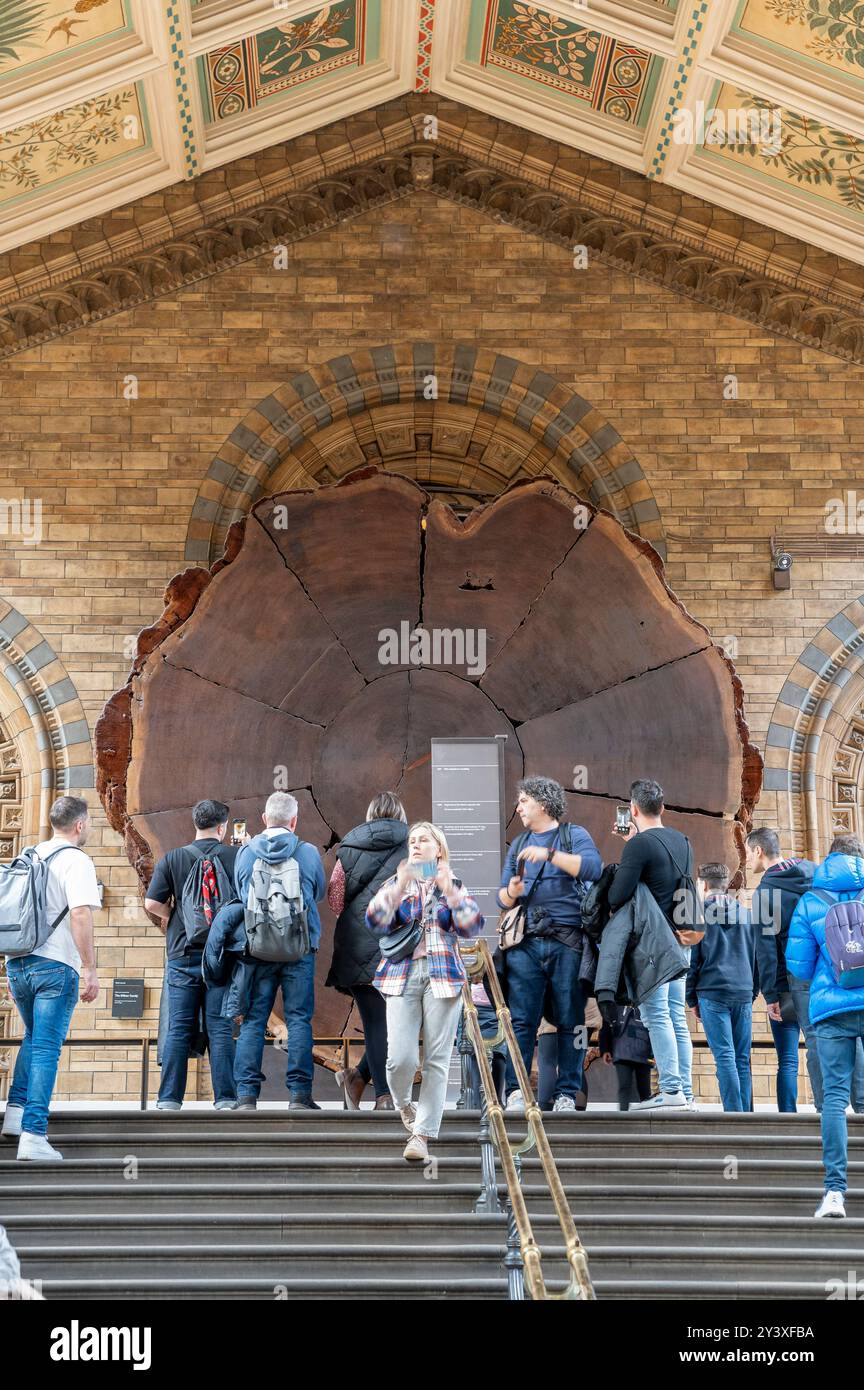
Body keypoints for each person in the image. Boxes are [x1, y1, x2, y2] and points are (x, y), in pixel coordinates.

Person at [366, 821, 483, 1163]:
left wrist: (450, 889)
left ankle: (422, 1134)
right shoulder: (396, 882)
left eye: (423, 840)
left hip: (443, 976)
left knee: (437, 1060)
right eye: (412, 841)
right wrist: (401, 882)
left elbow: (473, 926)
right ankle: (404, 1103)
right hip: (401, 975)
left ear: (439, 849)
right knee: (400, 1057)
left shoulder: (453, 884)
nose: (415, 845)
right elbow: (374, 922)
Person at [1, 796, 100, 1161]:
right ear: (79, 825)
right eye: (88, 823)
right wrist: (89, 967)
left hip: (19, 962)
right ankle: (34, 1135)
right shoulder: (76, 860)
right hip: (55, 966)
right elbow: (79, 915)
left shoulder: (30, 855)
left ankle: (15, 1115)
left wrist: (12, 966)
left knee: (33, 1037)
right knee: (46, 1047)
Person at [497, 776, 602, 1114]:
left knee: (573, 1020)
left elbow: (593, 869)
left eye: (523, 801)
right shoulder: (519, 844)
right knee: (521, 1020)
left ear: (542, 803)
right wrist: (512, 891)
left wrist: (550, 854)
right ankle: (515, 1091)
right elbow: (501, 898)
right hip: (525, 943)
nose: (519, 808)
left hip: (567, 941)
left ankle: (567, 1094)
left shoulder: (574, 836)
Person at [786, 833, 864, 1218]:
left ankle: (835, 1192)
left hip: (831, 1010)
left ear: (828, 859)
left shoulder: (810, 900)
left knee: (834, 1099)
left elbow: (797, 965)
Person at [232, 792, 326, 1111]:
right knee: (299, 1019)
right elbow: (319, 892)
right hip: (299, 948)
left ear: (264, 819)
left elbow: (239, 891)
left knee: (255, 1019)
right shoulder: (309, 852)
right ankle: (299, 1095)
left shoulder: (245, 853)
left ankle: (246, 1095)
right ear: (294, 821)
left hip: (258, 949)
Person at [144, 799, 239, 1112]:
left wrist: (175, 916)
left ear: (195, 824)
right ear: (222, 827)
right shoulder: (237, 856)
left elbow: (151, 904)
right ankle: (225, 1098)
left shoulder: (173, 858)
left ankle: (169, 1099)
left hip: (182, 955)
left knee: (179, 1027)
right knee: (220, 1028)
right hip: (221, 956)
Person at [606, 779, 694, 1110]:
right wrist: (634, 841)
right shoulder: (683, 841)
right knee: (675, 1014)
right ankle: (685, 1090)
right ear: (663, 808)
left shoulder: (639, 847)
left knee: (656, 1014)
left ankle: (670, 1090)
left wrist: (630, 847)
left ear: (632, 809)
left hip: (654, 946)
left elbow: (618, 894)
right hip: (681, 941)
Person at [326, 792, 408, 1110]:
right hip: (402, 944)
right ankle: (383, 1094)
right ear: (400, 815)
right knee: (398, 1022)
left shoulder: (348, 847)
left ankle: (360, 1079)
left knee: (376, 1021)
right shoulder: (415, 844)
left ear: (370, 814)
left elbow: (335, 898)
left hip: (358, 945)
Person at [747, 828, 814, 1112]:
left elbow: (765, 950)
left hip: (786, 984)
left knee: (787, 1059)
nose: (749, 860)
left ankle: (789, 1117)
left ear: (759, 851)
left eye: (749, 853)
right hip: (821, 978)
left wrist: (770, 995)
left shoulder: (765, 893)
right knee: (819, 1047)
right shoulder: (813, 873)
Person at [686, 863, 755, 1112]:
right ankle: (746, 1116)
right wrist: (752, 990)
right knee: (742, 1058)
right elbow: (754, 956)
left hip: (712, 992)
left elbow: (693, 961)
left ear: (703, 885)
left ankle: (735, 1116)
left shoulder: (698, 915)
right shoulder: (747, 915)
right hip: (743, 992)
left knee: (725, 1056)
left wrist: (691, 999)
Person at [598, 1004, 653, 1111]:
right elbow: (606, 1024)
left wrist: (605, 1049)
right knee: (628, 1086)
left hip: (634, 1049)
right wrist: (605, 1049)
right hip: (625, 1048)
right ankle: (625, 1116)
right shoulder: (615, 1002)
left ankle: (641, 1117)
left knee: (642, 1089)